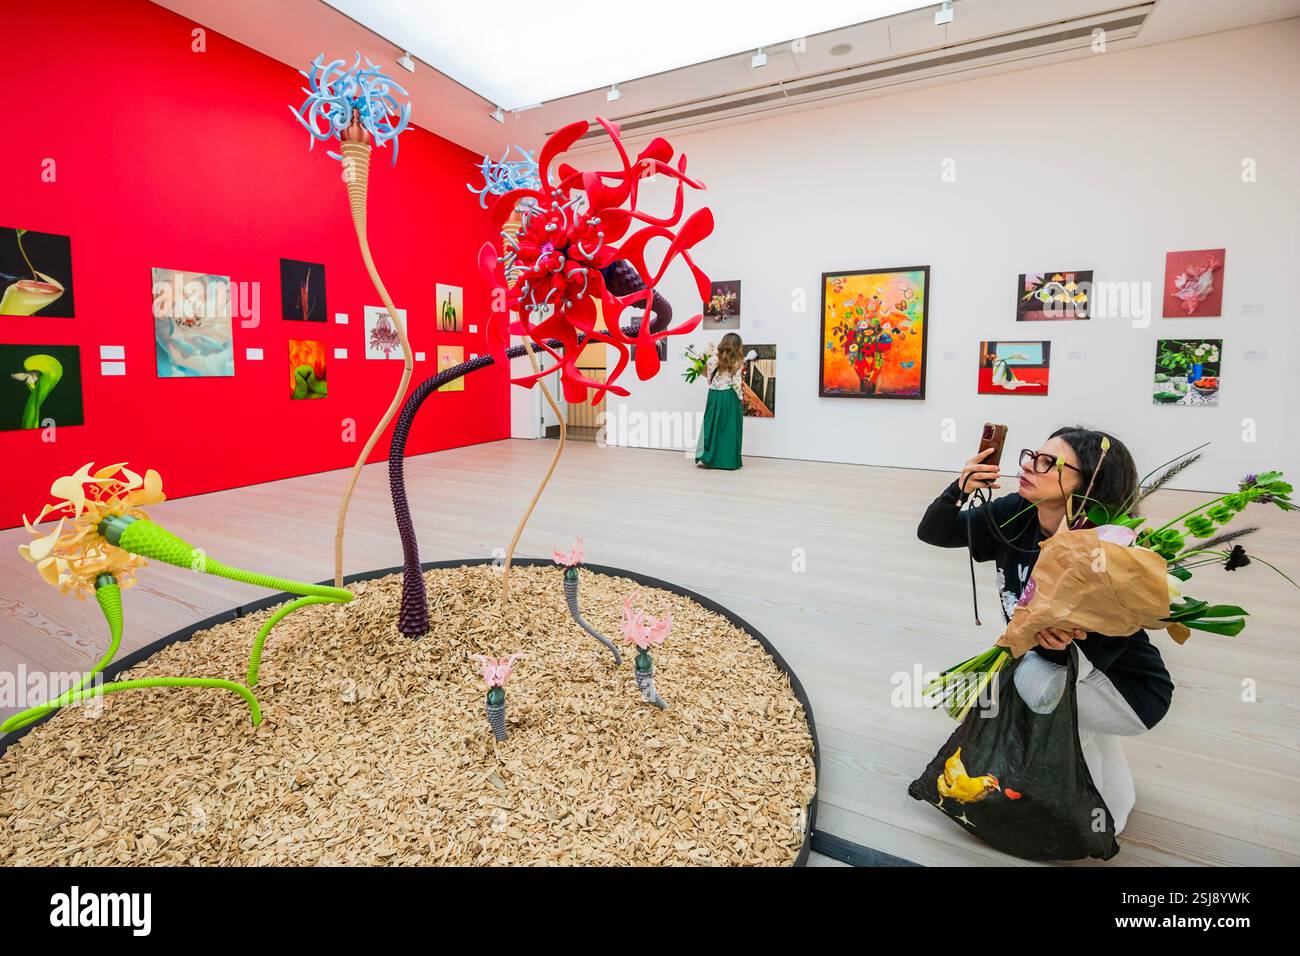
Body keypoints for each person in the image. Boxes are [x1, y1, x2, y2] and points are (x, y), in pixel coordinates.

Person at [916, 426, 1174, 834]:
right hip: (1083, 679)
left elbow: (1099, 655)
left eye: (1049, 464)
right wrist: (958, 489)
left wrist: (1053, 651)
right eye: (1032, 456)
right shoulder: (1017, 512)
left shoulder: (1104, 554)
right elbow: (935, 533)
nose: (1029, 467)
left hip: (1127, 688)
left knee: (1030, 683)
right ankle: (1115, 801)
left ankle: (1095, 815)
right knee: (1033, 680)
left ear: (1089, 483)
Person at [694, 332, 745, 470]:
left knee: (711, 425)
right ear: (737, 346)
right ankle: (728, 461)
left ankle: (708, 457)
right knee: (729, 428)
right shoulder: (738, 362)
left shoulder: (712, 359)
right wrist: (740, 398)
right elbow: (736, 382)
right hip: (729, 395)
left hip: (714, 395)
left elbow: (709, 380)